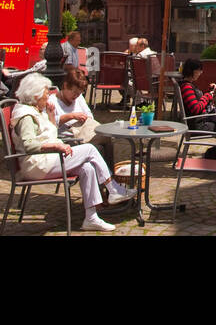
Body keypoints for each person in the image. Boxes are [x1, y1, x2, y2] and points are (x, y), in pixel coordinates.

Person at [11, 73, 134, 232]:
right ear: (35, 95)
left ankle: (91, 218)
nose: (48, 97)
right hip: (37, 165)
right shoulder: (26, 115)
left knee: (87, 167)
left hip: (46, 160)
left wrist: (50, 116)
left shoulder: (35, 109)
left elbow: (49, 133)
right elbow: (29, 145)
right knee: (90, 149)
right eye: (46, 93)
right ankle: (113, 189)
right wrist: (56, 147)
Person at [48, 66, 111, 167]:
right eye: (74, 92)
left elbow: (89, 114)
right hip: (68, 139)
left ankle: (108, 177)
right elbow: (50, 125)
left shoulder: (78, 98)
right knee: (101, 145)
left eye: (79, 93)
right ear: (65, 86)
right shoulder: (52, 102)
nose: (76, 96)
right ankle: (109, 177)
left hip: (83, 133)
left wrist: (84, 118)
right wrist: (71, 116)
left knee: (105, 140)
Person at [177, 58, 216, 132]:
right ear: (193, 71)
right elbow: (196, 109)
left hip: (201, 120)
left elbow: (196, 99)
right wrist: (207, 96)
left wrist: (209, 91)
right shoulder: (186, 87)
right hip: (198, 125)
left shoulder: (186, 84)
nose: (201, 72)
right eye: (199, 70)